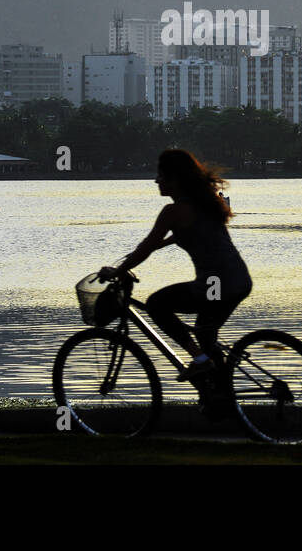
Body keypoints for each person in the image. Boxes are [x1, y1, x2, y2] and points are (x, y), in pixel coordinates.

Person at [100, 149, 252, 381]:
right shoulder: (205, 203)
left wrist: (118, 270)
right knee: (205, 334)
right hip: (238, 280)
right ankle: (221, 395)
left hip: (215, 285)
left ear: (175, 180)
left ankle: (201, 362)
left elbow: (146, 247)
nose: (156, 180)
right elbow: (188, 235)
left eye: (161, 175)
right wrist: (156, 246)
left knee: (157, 304)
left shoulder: (173, 212)